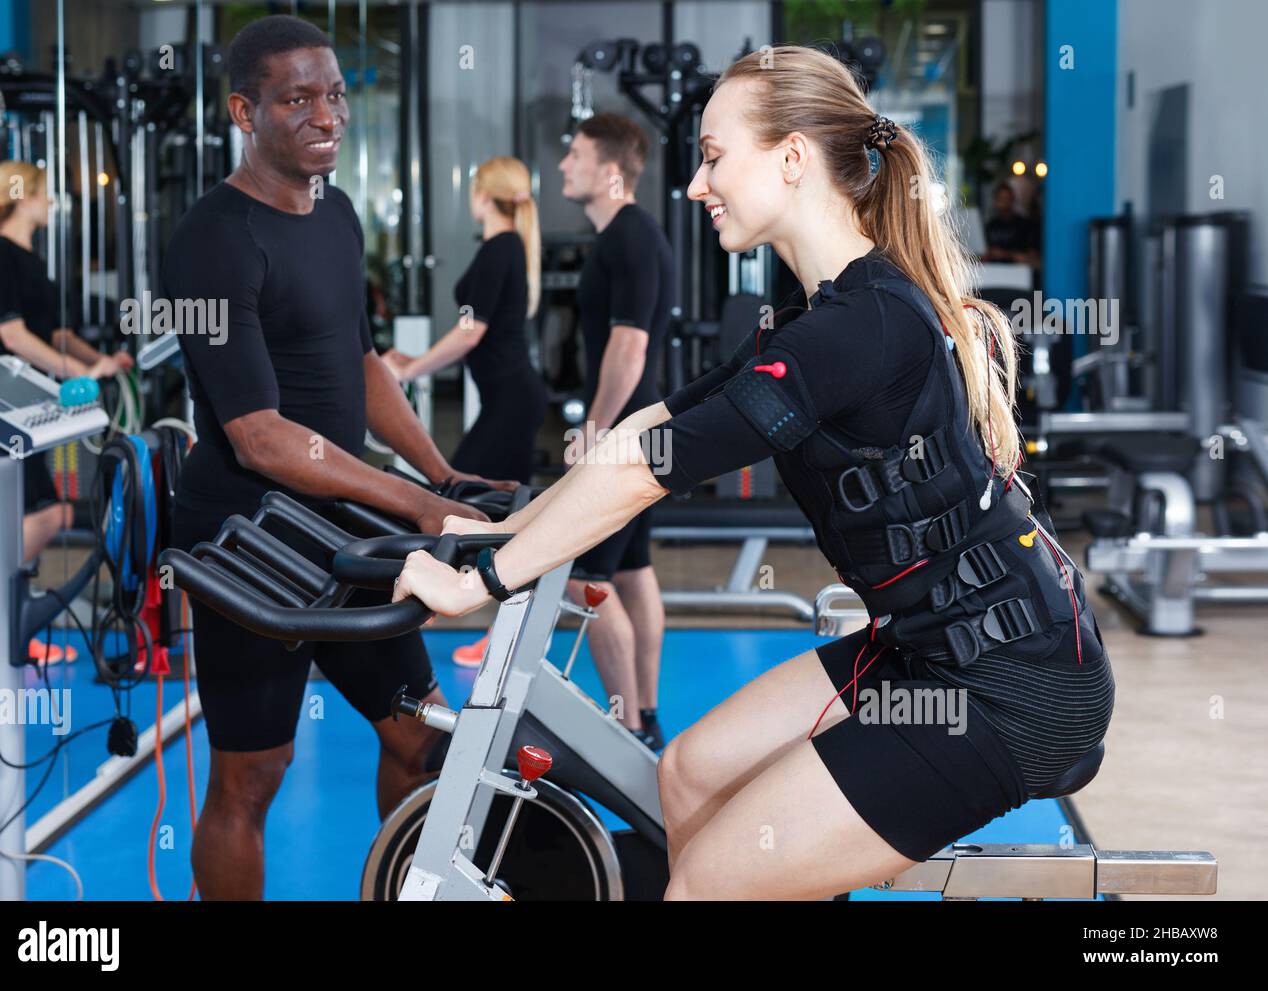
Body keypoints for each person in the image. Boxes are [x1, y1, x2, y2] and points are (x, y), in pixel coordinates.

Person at [391, 44, 1115, 900]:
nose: (697, 186)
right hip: (926, 646)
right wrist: (507, 533)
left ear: (793, 157)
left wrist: (487, 580)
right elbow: (647, 433)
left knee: (705, 884)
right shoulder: (812, 318)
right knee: (691, 772)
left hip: (1009, 680)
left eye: (711, 156)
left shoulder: (865, 326)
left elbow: (649, 475)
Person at [163, 15, 513, 900]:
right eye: (296, 99)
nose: (326, 115)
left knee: (414, 737)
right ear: (246, 110)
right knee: (254, 772)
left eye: (334, 95)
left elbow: (358, 366)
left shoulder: (339, 214)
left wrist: (439, 475)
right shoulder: (214, 239)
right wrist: (414, 504)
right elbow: (259, 434)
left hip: (343, 521)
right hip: (247, 536)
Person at [556, 112, 674, 748]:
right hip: (643, 427)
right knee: (631, 572)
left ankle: (625, 727)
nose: (562, 165)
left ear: (609, 171)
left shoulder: (628, 238)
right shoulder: (630, 236)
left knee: (585, 579)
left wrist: (595, 434)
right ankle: (645, 717)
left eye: (573, 154)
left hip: (627, 432)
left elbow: (627, 349)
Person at [0, 161, 131, 566]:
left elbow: (55, 335)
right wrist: (79, 374)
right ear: (23, 199)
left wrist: (103, 361)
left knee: (41, 509)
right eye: (44, 193)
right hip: (5, 408)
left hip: (32, 408)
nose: (52, 201)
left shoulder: (31, 259)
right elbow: (14, 336)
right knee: (44, 512)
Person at [384, 156, 546, 486]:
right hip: (511, 397)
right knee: (495, 504)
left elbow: (469, 332)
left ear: (483, 196)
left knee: (458, 492)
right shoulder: (504, 247)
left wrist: (410, 370)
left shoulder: (499, 249)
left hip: (512, 400)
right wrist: (418, 361)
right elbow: (470, 326)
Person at [982, 182, 1038, 265]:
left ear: (1013, 199)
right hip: (992, 271)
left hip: (1018, 273)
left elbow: (1032, 258)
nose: (1003, 202)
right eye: (1000, 198)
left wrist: (1005, 254)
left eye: (1006, 198)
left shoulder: (1025, 225)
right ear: (995, 201)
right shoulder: (991, 225)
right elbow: (982, 253)